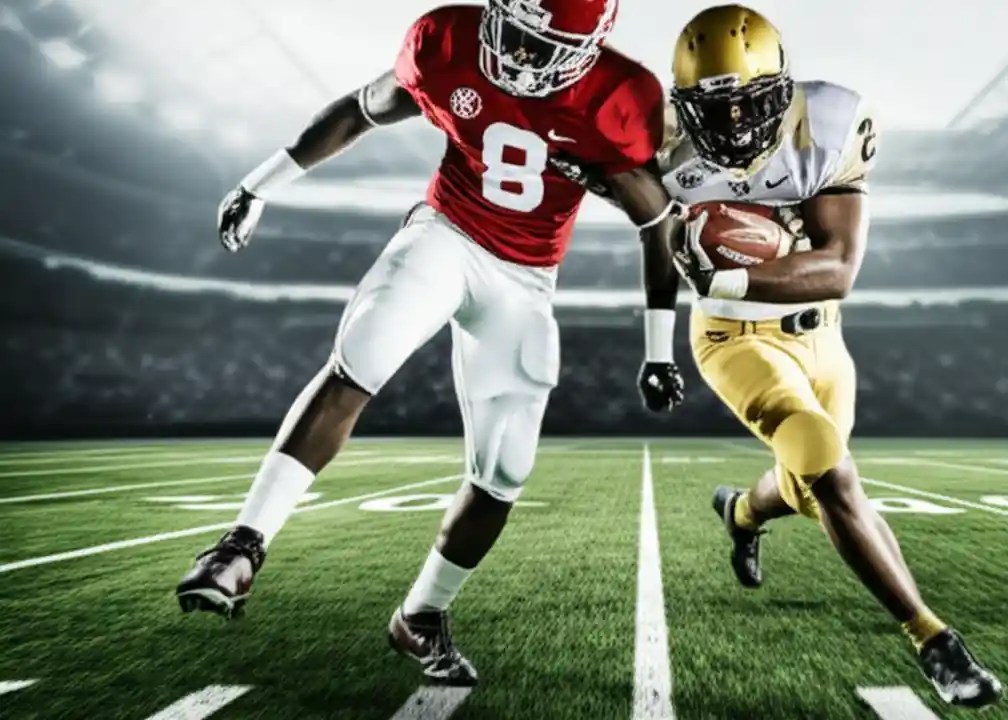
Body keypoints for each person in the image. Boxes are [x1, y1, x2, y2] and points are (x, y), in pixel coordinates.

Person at [175, 0, 686, 686]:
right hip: (444, 232)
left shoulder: (620, 98)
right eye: (517, 36)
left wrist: (660, 347)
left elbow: (655, 223)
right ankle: (239, 548)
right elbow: (362, 108)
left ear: (588, 47)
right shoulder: (448, 39)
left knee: (505, 472)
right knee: (362, 357)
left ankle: (419, 617)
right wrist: (260, 183)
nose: (522, 59)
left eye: (545, 47)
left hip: (526, 280)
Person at [661, 5, 1002, 709]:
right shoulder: (655, 146)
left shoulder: (833, 122)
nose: (730, 127)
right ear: (682, 105)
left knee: (806, 483)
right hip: (735, 339)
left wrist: (721, 270)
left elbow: (839, 266)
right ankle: (933, 639)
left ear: (782, 88)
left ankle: (742, 515)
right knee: (832, 472)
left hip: (822, 335)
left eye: (747, 103)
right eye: (711, 110)